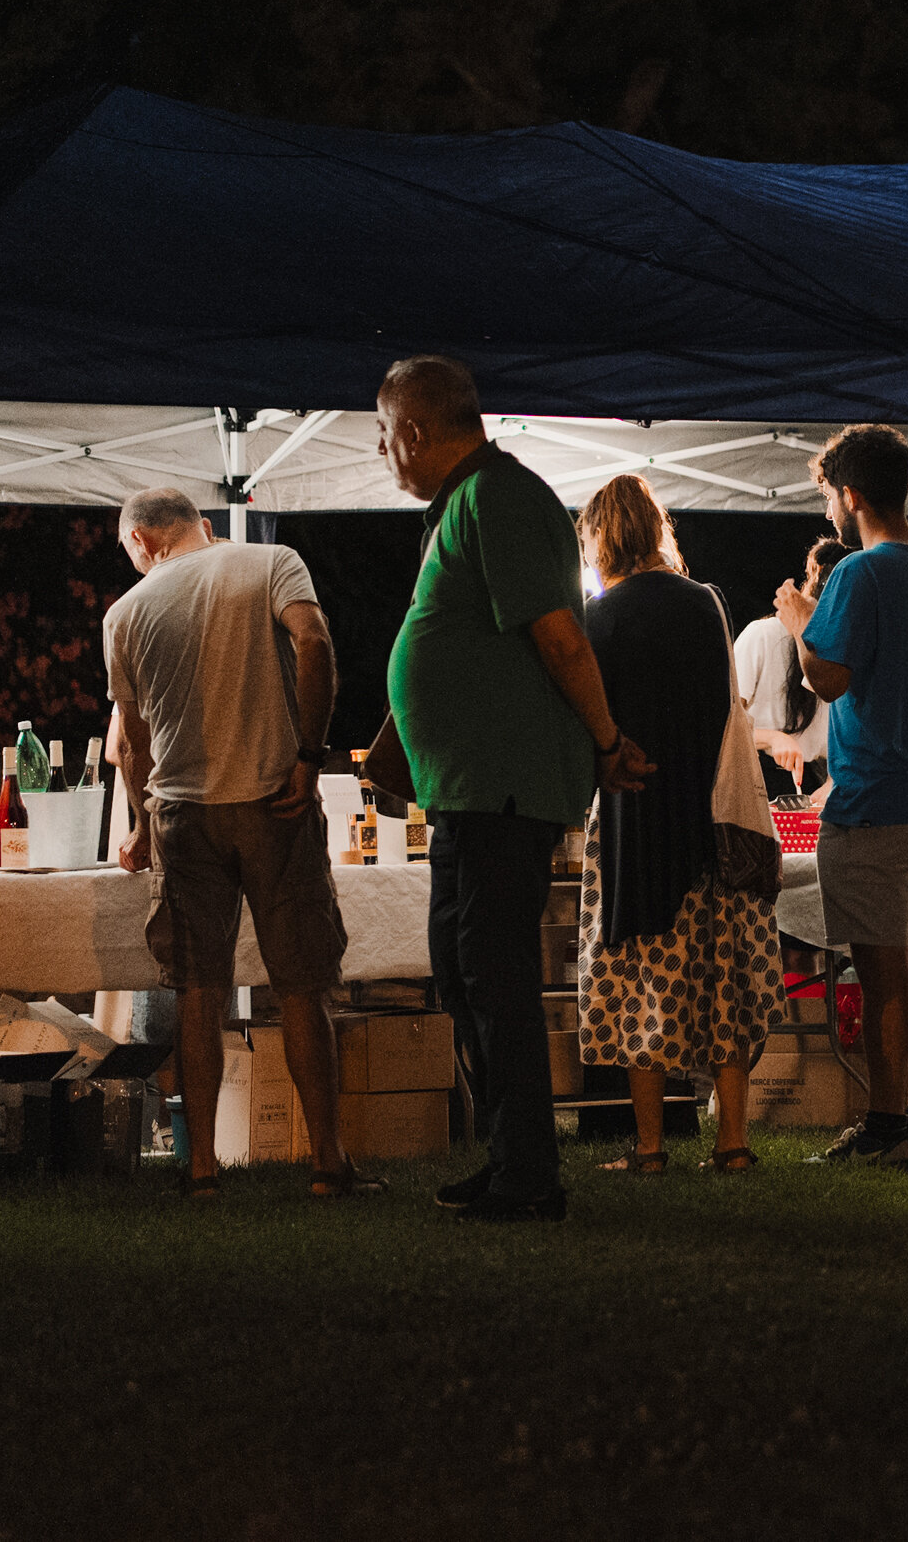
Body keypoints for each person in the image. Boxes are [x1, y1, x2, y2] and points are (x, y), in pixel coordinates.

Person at [378, 355, 654, 1221]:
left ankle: (529, 1173)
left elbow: (561, 637)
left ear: (416, 431)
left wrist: (606, 739)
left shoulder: (498, 496)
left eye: (386, 437)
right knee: (464, 974)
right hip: (467, 787)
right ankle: (507, 1156)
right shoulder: (462, 504)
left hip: (505, 787)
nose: (385, 454)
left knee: (493, 974)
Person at [105, 486, 373, 1198]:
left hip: (185, 817)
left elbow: (129, 744)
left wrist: (139, 820)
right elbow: (314, 641)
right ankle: (327, 1163)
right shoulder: (270, 562)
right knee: (302, 985)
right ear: (203, 524)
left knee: (198, 990)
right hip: (274, 803)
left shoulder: (125, 613)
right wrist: (309, 754)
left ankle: (200, 1171)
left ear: (142, 542)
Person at [573, 477, 786, 1175]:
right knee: (721, 983)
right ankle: (732, 1143)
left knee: (642, 985)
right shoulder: (706, 603)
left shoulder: (596, 618)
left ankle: (651, 1147)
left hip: (635, 820)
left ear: (600, 537)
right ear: (656, 527)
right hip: (712, 815)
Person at [774, 424, 908, 1167]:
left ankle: (885, 1129)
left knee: (881, 974)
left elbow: (828, 678)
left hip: (873, 795)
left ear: (850, 495)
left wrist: (799, 624)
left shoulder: (857, 572)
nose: (828, 508)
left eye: (827, 494)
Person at [734, 538, 849, 798]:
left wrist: (832, 784)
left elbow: (839, 747)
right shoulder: (762, 636)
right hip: (753, 778)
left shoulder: (841, 655)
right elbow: (724, 726)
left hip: (808, 784)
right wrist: (774, 738)